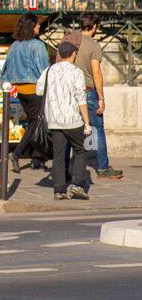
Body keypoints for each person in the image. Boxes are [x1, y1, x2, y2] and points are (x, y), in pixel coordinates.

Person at [38, 40, 93, 200]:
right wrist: (87, 122)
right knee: (81, 149)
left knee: (59, 154)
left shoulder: (48, 70)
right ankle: (77, 184)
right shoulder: (76, 72)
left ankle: (59, 190)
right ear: (73, 55)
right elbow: (81, 98)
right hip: (72, 119)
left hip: (54, 119)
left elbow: (39, 90)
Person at [70, 15, 122, 179]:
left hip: (71, 91)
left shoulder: (70, 40)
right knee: (97, 128)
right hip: (87, 91)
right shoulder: (93, 44)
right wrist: (101, 97)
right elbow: (96, 72)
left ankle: (65, 166)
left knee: (68, 129)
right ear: (94, 27)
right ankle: (102, 167)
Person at [5, 12, 51, 173]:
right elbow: (44, 70)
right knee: (37, 123)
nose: (39, 27)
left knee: (33, 121)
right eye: (38, 25)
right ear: (32, 27)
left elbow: (7, 69)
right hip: (34, 89)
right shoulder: (37, 45)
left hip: (19, 90)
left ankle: (36, 158)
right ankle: (17, 154)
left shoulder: (14, 45)